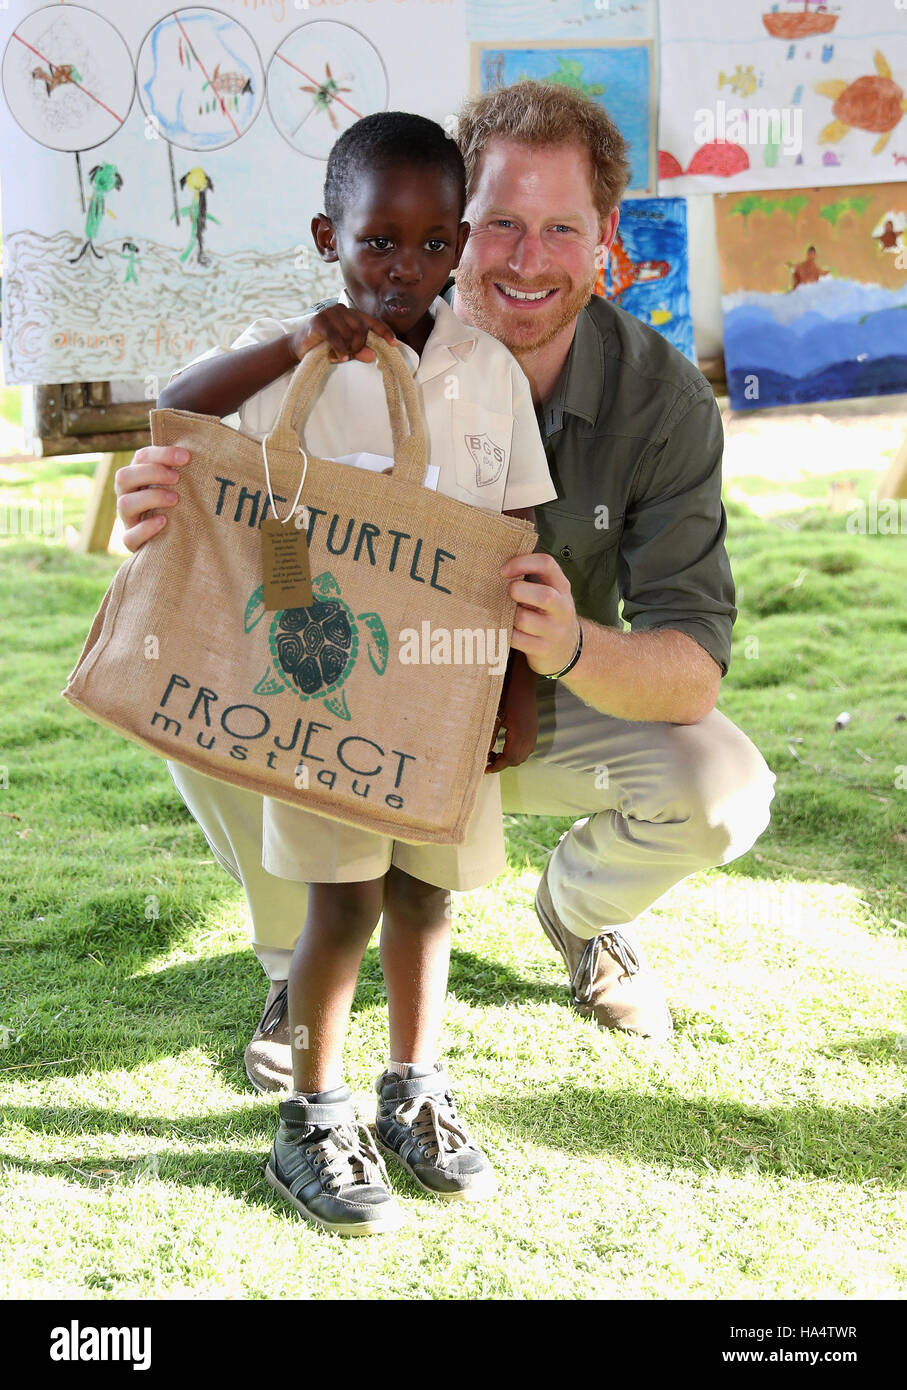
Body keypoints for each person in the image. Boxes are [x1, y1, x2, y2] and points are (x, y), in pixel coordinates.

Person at [115, 82, 776, 1091]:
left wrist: (557, 652)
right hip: (334, 686)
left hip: (527, 701)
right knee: (192, 680)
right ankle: (291, 968)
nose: (522, 256)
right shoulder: (322, 349)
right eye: (497, 224)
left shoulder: (658, 397)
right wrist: (158, 510)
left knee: (722, 787)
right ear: (455, 223)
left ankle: (580, 916)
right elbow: (197, 467)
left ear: (606, 236)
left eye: (560, 227)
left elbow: (688, 672)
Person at [153, 112, 557, 1234]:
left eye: (436, 243)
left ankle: (415, 1090)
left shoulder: (487, 370)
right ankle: (314, 1115)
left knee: (427, 892)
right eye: (381, 241)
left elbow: (517, 536)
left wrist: (514, 686)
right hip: (325, 688)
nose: (407, 269)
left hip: (450, 680)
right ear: (330, 234)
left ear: (460, 242)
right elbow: (180, 406)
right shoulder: (304, 358)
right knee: (345, 896)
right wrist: (293, 349)